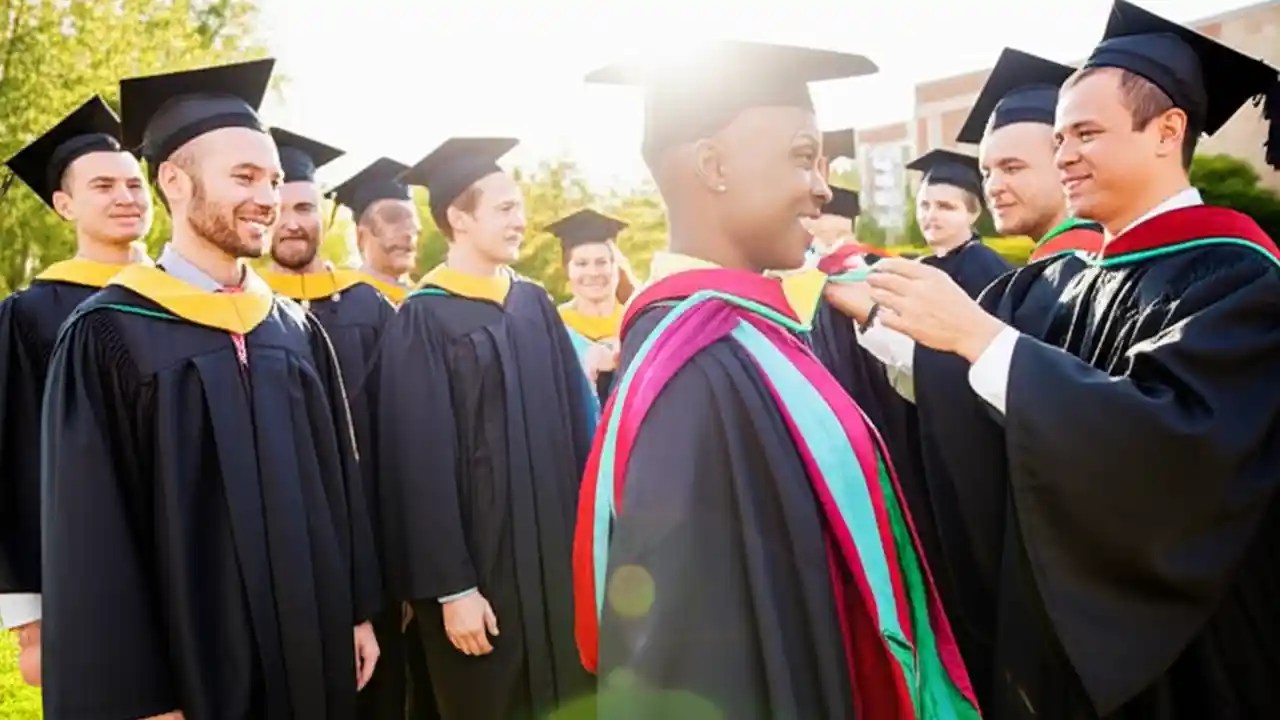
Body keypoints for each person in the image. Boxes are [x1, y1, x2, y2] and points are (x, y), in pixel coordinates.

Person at [829, 2, 1280, 716]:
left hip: (1180, 646)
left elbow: (1175, 442)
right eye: (1061, 135)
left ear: (1167, 132)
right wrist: (886, 320)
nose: (1063, 154)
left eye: (1086, 134)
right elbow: (976, 383)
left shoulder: (1238, 277)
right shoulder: (1057, 277)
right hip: (1056, 637)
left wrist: (979, 337)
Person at [574, 40, 978, 719]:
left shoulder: (745, 335)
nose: (821, 187)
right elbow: (683, 666)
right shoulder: (692, 371)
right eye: (802, 157)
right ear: (713, 164)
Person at [40, 59, 382, 719]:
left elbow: (338, 482)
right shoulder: (110, 334)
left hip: (309, 649)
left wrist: (356, 610)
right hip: (190, 672)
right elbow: (91, 537)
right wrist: (136, 697)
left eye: (276, 180)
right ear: (174, 180)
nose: (268, 197)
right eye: (245, 177)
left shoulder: (292, 329)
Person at [373, 136, 595, 720]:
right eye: (504, 208)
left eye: (518, 206)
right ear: (458, 218)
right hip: (481, 585)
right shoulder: (422, 320)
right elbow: (414, 469)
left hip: (556, 571)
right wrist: (452, 589)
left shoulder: (534, 306)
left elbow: (582, 431)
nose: (521, 220)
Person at [0, 95, 153, 688]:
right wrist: (30, 621)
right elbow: (13, 463)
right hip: (87, 575)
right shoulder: (32, 315)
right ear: (64, 204)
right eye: (103, 186)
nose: (125, 197)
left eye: (134, 184)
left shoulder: (195, 299)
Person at [258, 128, 411, 720]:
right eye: (281, 208)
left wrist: (397, 574)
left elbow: (398, 449)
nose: (291, 222)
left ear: (324, 213)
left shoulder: (372, 307)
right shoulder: (236, 310)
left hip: (369, 556)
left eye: (304, 207)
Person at [956, 47, 1103, 262]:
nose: (992, 188)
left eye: (1012, 168)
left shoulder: (1083, 263)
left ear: (1066, 164)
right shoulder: (1050, 263)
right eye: (986, 173)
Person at [546, 208, 628, 404]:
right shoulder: (554, 328)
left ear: (616, 267)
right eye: (581, 264)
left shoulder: (636, 323)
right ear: (567, 270)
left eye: (601, 262)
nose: (593, 272)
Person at [905, 148, 1012, 295]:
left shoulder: (983, 266)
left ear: (973, 213)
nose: (930, 215)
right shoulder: (922, 266)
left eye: (945, 206)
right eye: (924, 206)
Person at [328, 157, 419, 304]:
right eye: (393, 218)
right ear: (361, 236)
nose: (408, 234)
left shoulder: (426, 306)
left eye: (412, 223)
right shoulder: (342, 307)